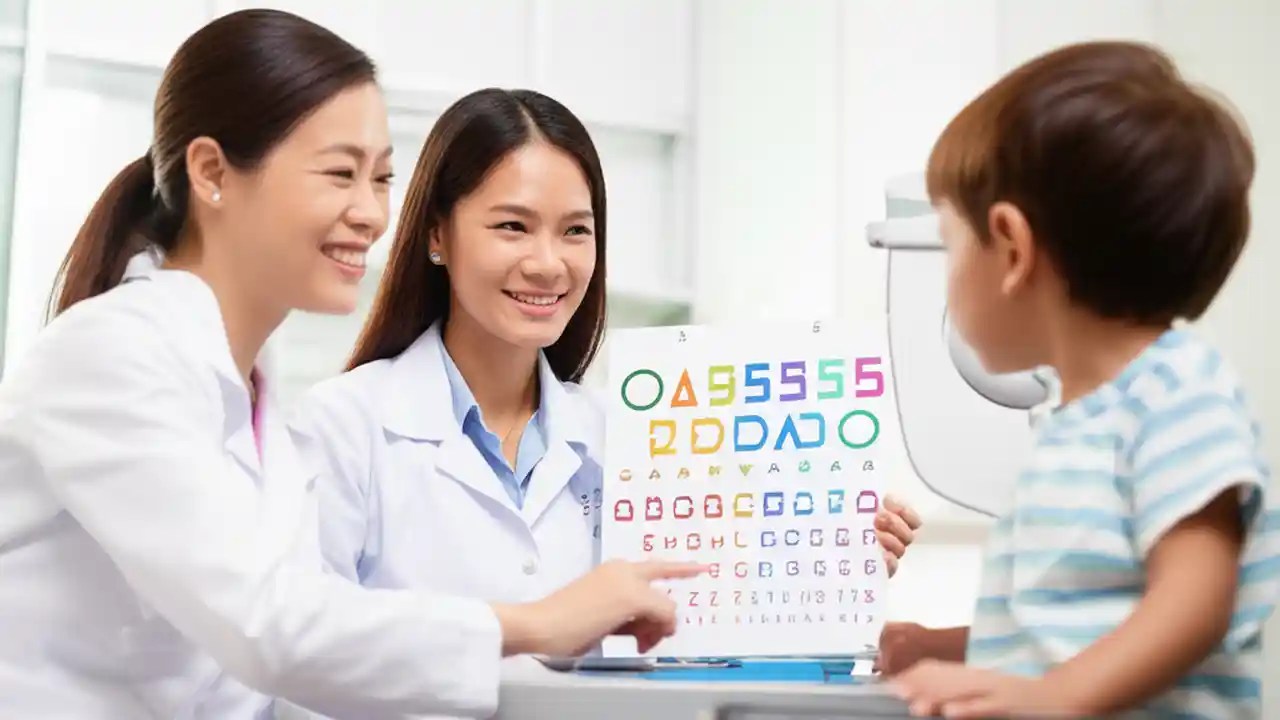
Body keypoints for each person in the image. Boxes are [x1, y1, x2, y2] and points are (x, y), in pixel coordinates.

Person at [0, 11, 702, 720]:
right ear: (212, 173)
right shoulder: (116, 355)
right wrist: (540, 623)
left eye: (381, 178)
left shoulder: (250, 391)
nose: (370, 213)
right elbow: (271, 626)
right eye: (340, 174)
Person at [286, 87, 922, 642]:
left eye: (575, 231)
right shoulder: (343, 428)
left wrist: (824, 563)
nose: (548, 263)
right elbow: (305, 662)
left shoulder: (636, 441)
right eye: (512, 225)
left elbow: (695, 632)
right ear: (436, 235)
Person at [880, 40, 1280, 718]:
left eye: (950, 246)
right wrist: (943, 646)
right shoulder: (1076, 423)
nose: (947, 272)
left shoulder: (1178, 390)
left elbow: (1195, 600)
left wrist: (1056, 698)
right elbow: (1069, 628)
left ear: (1012, 248)